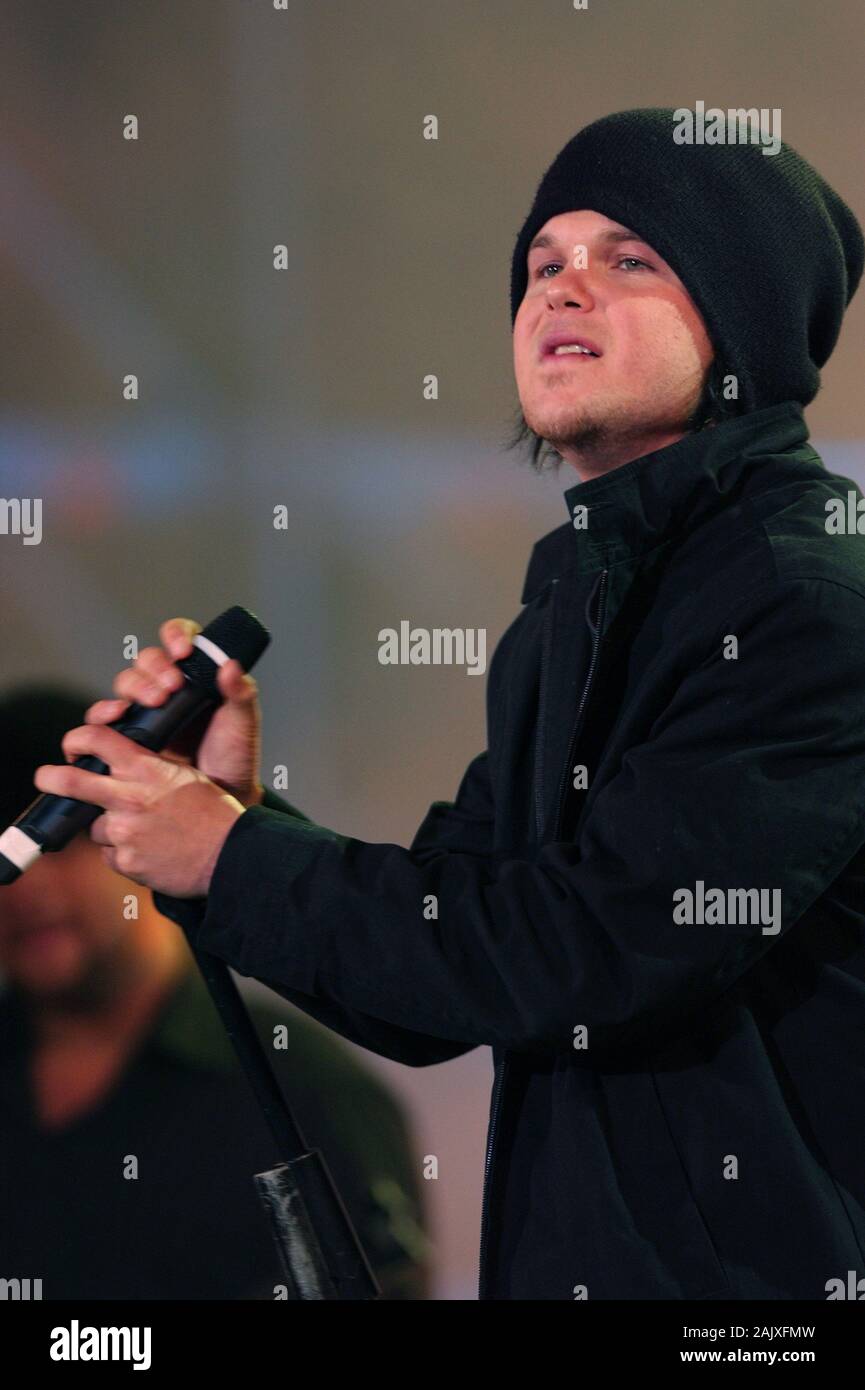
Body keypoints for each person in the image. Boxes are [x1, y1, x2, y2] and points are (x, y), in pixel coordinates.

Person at [33, 108, 865, 1300]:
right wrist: (229, 814)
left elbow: (583, 949)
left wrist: (235, 858)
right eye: (542, 263)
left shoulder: (803, 602)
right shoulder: (574, 608)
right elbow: (452, 968)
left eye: (629, 258)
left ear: (743, 317)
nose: (561, 290)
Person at [0, 685, 431, 1300]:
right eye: (8, 861)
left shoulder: (305, 1089)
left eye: (59, 845)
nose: (27, 890)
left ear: (129, 835)